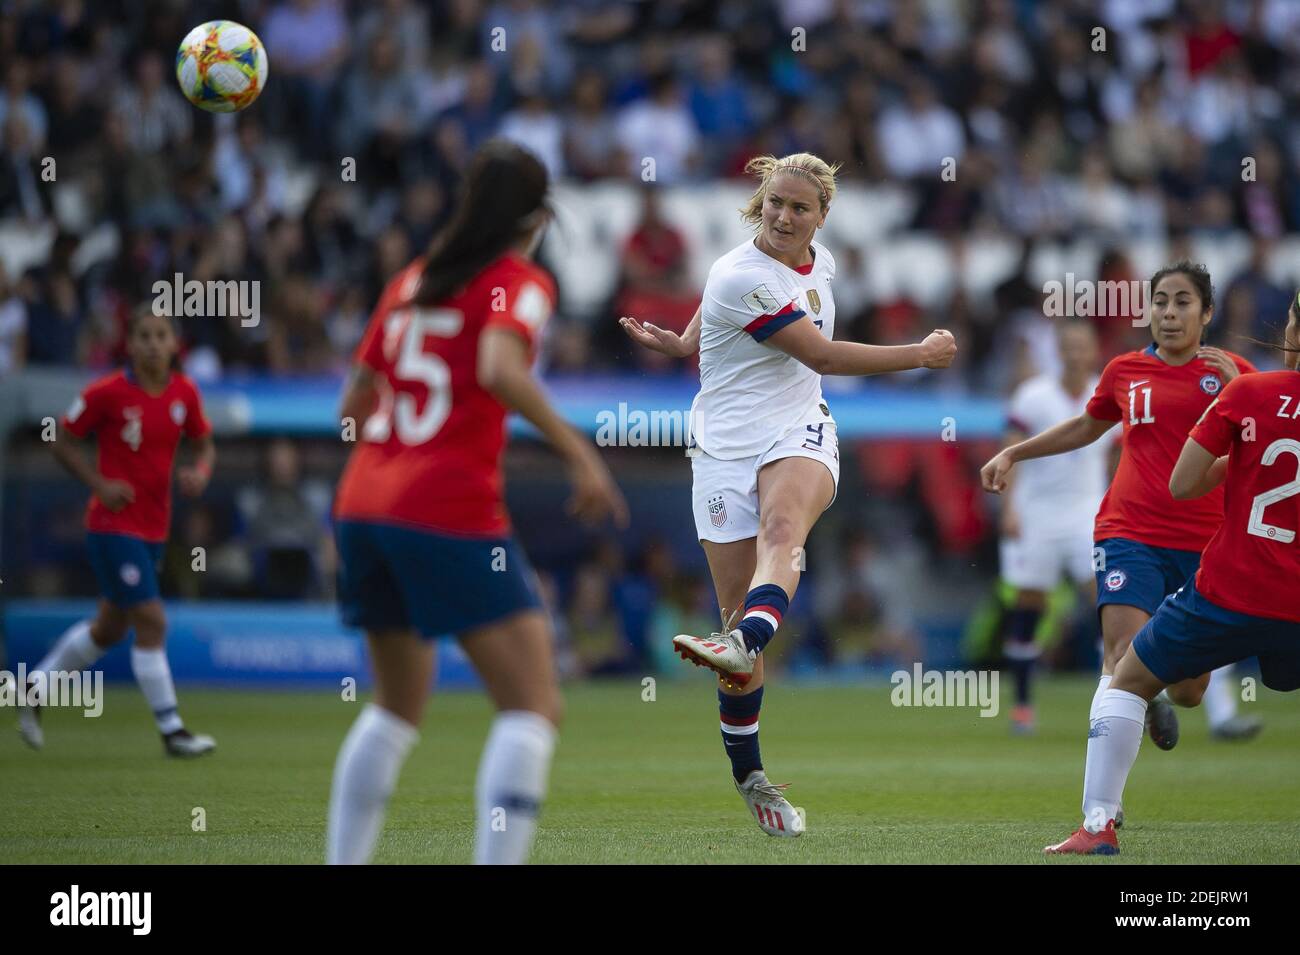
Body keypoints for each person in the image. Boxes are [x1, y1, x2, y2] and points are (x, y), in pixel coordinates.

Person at [622, 152, 956, 836]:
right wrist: (917, 355)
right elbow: (826, 353)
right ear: (760, 202)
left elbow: (810, 366)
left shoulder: (819, 264)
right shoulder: (740, 273)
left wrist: (680, 339)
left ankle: (743, 636)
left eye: (799, 207)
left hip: (800, 430)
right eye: (775, 202)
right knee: (738, 634)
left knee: (784, 534)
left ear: (821, 218)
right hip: (721, 450)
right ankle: (752, 776)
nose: (783, 215)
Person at [326, 141, 626, 865]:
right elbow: (498, 365)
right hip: (446, 506)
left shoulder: (413, 280)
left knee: (394, 709)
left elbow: (353, 401)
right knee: (531, 706)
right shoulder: (515, 281)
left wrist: (393, 457)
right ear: (537, 219)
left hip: (363, 502)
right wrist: (578, 451)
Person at [981, 262, 1258, 824]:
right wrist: (1015, 452)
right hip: (1128, 531)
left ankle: (1156, 695)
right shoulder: (1126, 370)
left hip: (1205, 546)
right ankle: (1103, 809)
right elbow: (1088, 426)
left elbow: (1266, 449)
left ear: (1207, 314)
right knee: (1119, 653)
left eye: (1183, 303)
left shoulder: (1238, 377)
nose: (1169, 313)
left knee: (1189, 692)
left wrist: (1237, 393)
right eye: (1160, 301)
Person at [1046, 294, 1300, 854]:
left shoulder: (1249, 391)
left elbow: (1184, 484)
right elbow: (1090, 426)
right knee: (1151, 669)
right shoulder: (1140, 373)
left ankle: (1098, 826)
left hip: (1231, 589)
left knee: (1127, 679)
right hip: (1280, 598)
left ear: (1292, 328)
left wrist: (1233, 429)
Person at [20, 310, 216, 756]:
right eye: (143, 335)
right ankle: (172, 731)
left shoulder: (185, 392)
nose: (151, 343)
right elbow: (61, 438)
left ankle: (35, 688)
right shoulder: (106, 393)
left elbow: (204, 442)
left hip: (154, 528)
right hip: (111, 525)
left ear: (173, 344)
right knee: (152, 619)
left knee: (108, 629)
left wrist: (201, 471)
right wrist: (99, 485)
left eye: (160, 335)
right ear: (129, 344)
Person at [995, 318, 1108, 733]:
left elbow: (1119, 453)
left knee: (1105, 604)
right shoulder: (1033, 396)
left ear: (1093, 350)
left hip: (1088, 515)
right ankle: (1023, 706)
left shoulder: (1106, 392)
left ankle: (1110, 704)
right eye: (1069, 346)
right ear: (1058, 351)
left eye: (1083, 346)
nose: (1076, 353)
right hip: (1037, 513)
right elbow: (1009, 452)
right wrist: (1010, 509)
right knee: (1028, 606)